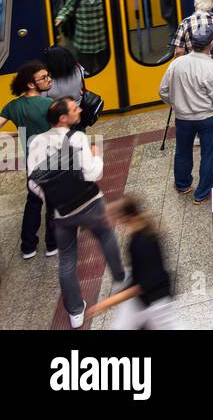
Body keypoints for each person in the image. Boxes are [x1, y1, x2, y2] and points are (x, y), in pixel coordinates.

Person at [27, 97, 126, 328]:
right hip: (90, 203)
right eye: (74, 109)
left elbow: (33, 184)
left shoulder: (35, 143)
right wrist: (96, 153)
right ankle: (120, 280)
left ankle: (75, 312)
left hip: (62, 213)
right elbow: (94, 174)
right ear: (63, 118)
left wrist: (55, 198)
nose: (80, 109)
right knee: (106, 237)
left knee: (68, 259)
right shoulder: (77, 138)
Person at [157, 24, 213, 204]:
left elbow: (163, 91)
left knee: (182, 151)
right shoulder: (212, 67)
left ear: (191, 43)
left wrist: (177, 104)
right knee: (208, 154)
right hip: (208, 118)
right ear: (211, 44)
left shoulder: (176, 64)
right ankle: (202, 194)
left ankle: (183, 184)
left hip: (183, 118)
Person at [85, 196, 177, 329]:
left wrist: (107, 303)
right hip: (149, 300)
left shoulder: (140, 243)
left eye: (110, 217)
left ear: (123, 218)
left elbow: (142, 285)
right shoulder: (143, 232)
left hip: (155, 303)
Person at [3, 62, 56, 258]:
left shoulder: (12, 107)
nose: (48, 79)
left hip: (32, 162)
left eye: (48, 75)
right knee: (53, 202)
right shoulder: (49, 105)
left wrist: (17, 133)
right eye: (44, 77)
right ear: (31, 84)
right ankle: (52, 245)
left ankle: (28, 246)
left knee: (33, 201)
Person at [53, 0, 109, 74]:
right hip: (83, 43)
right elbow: (65, 11)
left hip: (102, 41)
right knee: (86, 70)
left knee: (104, 68)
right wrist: (59, 20)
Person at [40, 45, 85, 112]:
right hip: (77, 109)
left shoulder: (48, 81)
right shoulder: (78, 69)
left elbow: (41, 101)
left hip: (57, 114)